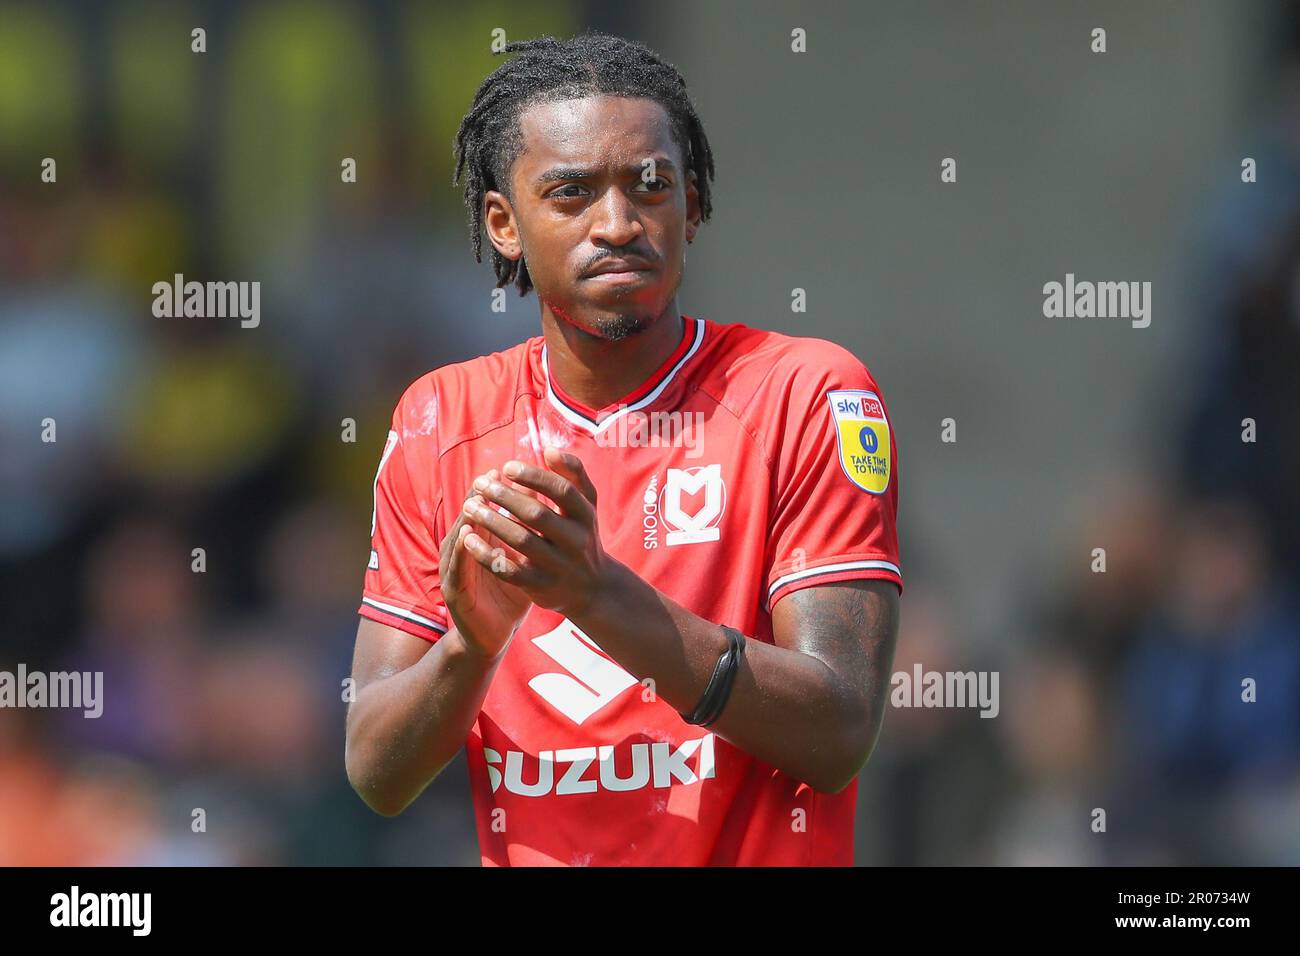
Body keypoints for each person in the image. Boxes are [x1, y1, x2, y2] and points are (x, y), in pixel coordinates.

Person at [344, 32, 902, 866]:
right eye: (570, 193)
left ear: (695, 205)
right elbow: (376, 771)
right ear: (504, 223)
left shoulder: (807, 393)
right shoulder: (442, 418)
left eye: (651, 185)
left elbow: (838, 731)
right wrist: (471, 646)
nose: (618, 223)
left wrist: (596, 594)